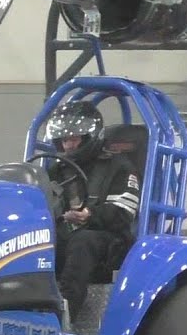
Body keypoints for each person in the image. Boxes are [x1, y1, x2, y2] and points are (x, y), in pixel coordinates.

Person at [44, 100, 140, 319]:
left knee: (83, 240)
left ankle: (64, 311)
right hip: (69, 236)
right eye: (64, 140)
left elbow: (123, 213)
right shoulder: (56, 170)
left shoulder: (119, 167)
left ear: (90, 136)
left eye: (74, 139)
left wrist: (89, 215)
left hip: (110, 242)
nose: (68, 145)